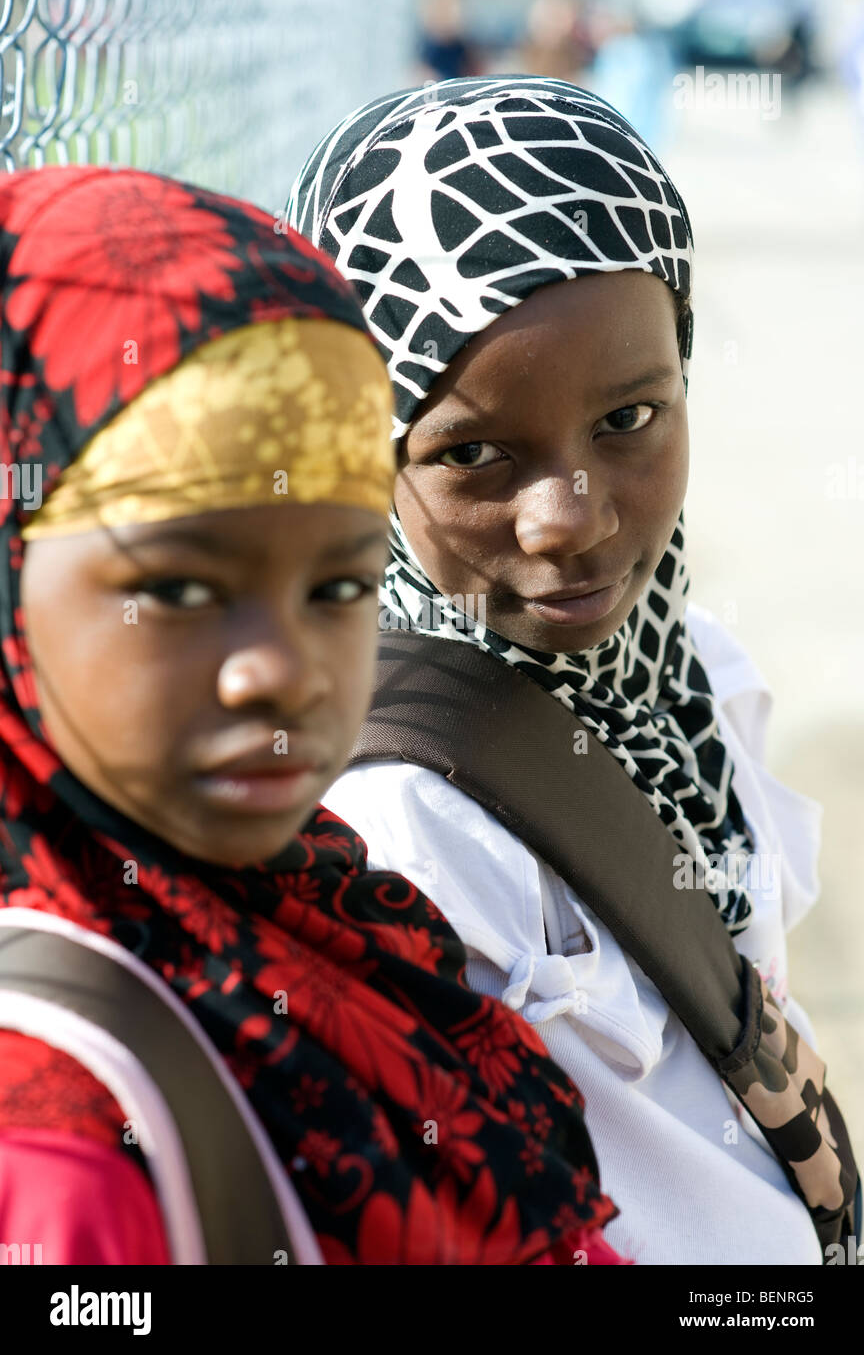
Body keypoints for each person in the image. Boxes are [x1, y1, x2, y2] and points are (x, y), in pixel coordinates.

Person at [0, 166, 623, 1266]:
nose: (277, 676)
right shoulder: (61, 1156)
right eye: (181, 590)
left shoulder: (320, 900)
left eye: (337, 586)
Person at [288, 75, 850, 1265]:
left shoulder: (692, 665)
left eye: (630, 421)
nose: (570, 519)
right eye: (475, 453)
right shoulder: (391, 824)